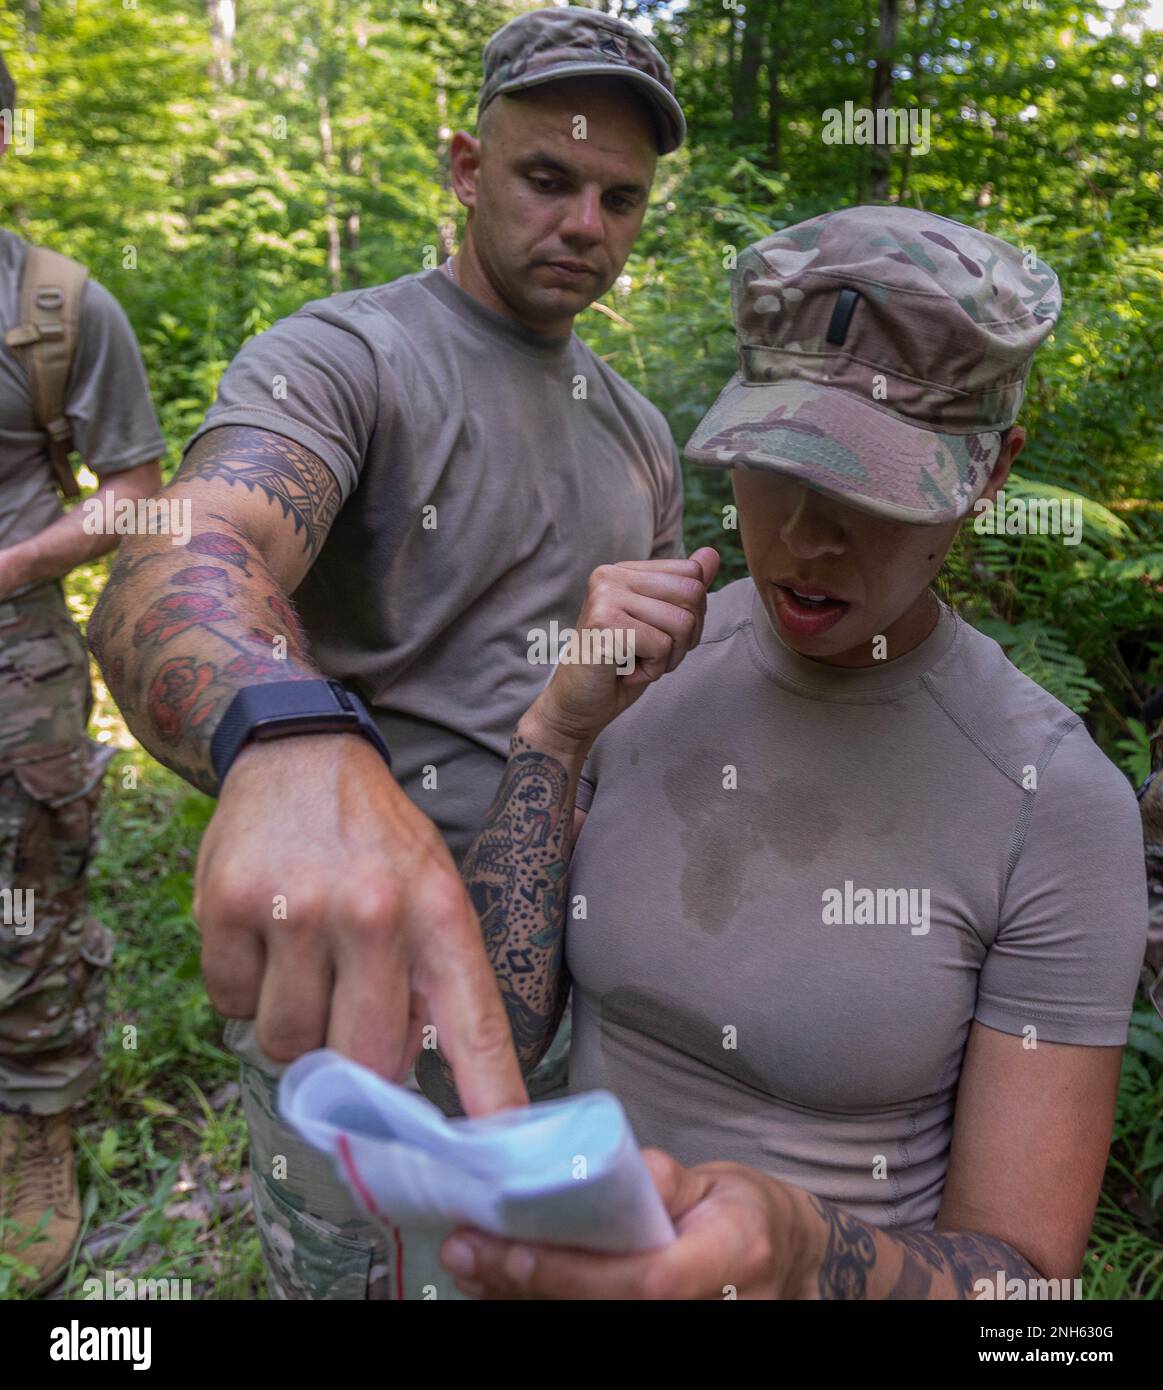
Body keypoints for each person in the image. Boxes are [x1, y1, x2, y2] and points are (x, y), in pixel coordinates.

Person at [423, 207, 1150, 1300]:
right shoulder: (640, 670)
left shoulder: (1048, 803)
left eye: (873, 485)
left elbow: (1028, 1291)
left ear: (989, 473)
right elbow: (457, 1058)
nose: (809, 533)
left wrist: (808, 1252)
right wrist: (555, 735)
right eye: (776, 461)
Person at [89, 7, 687, 1300]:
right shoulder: (351, 357)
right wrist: (292, 733)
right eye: (545, 179)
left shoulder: (640, 437)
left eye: (619, 199)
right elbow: (177, 549)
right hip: (357, 992)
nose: (585, 224)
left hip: (566, 1002)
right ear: (465, 168)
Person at [0, 50, 164, 1292]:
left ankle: (34, 1133)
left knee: (25, 909)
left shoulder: (56, 306)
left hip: (13, 659)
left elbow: (138, 505)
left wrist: (9, 567)